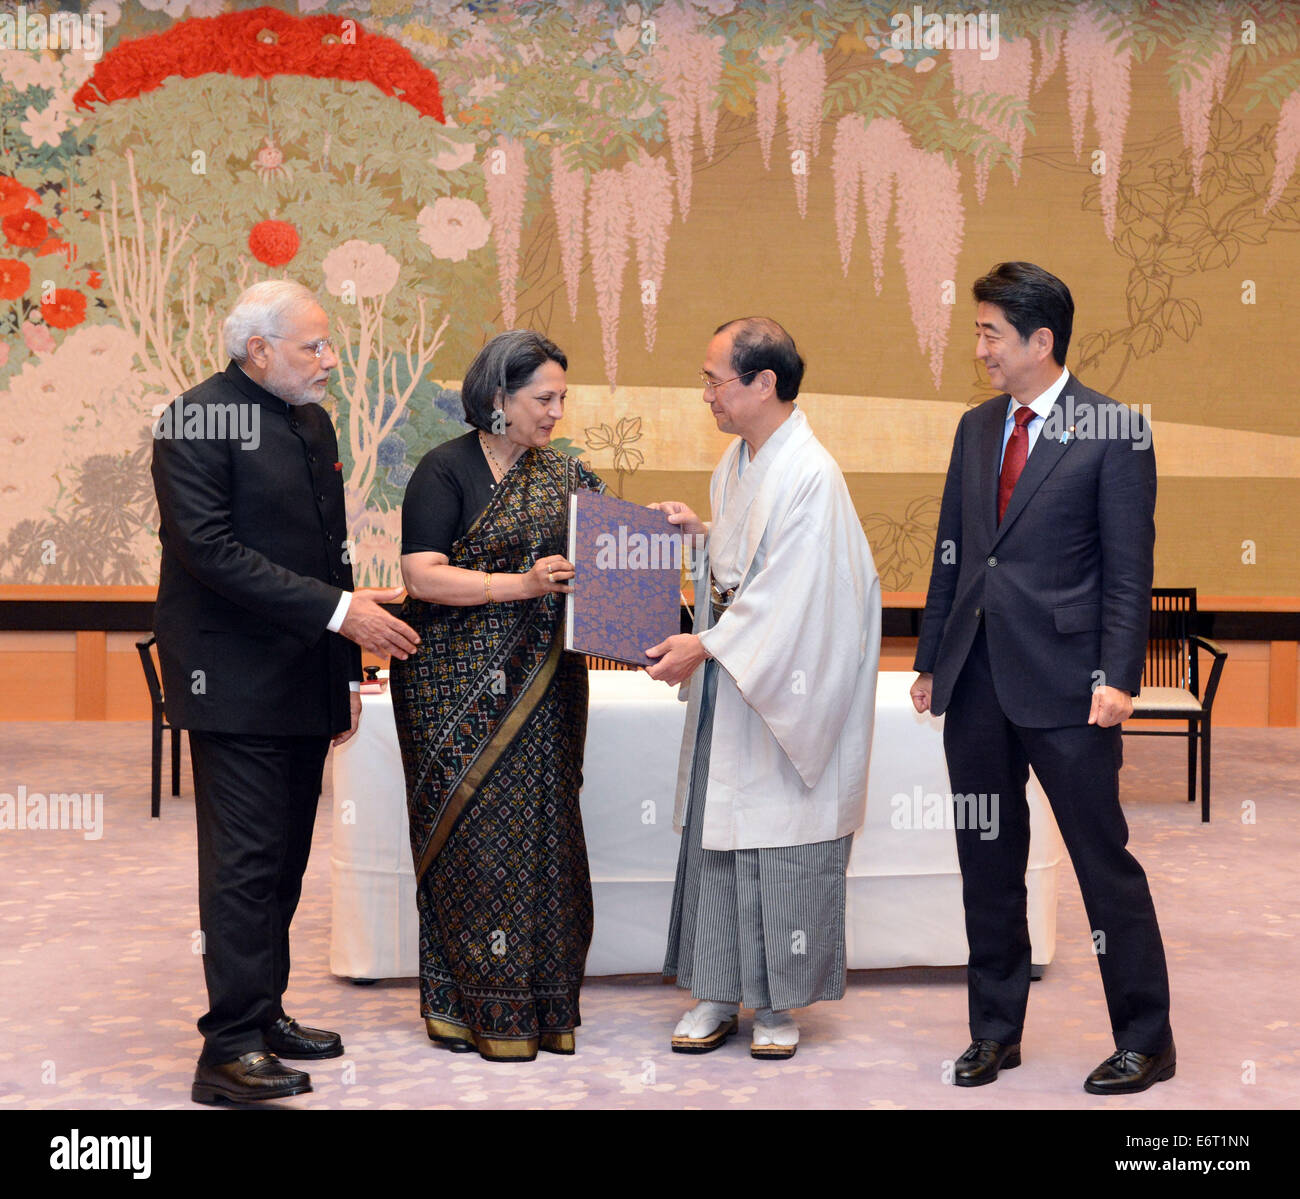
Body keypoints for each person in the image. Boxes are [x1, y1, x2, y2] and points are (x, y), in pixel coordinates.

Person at [151, 279, 420, 1104]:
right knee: (243, 865)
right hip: (230, 679)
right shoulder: (195, 417)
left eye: (329, 344)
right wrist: (344, 616)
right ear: (258, 349)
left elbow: (330, 554)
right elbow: (210, 550)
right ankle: (225, 1049)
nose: (329, 361)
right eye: (315, 346)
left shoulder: (310, 418)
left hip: (305, 673)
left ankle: (263, 1014)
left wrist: (342, 672)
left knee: (285, 863)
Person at [910, 261, 1174, 1094]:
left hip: (1071, 688)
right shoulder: (976, 427)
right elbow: (956, 550)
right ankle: (995, 1030)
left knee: (1104, 865)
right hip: (979, 682)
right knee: (987, 860)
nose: (979, 346)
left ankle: (1147, 1038)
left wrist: (1118, 675)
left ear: (1040, 339)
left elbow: (1130, 571)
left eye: (990, 331)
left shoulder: (1115, 430)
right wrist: (930, 660)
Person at [646, 317, 881, 1060]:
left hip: (783, 684)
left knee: (780, 841)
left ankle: (778, 1004)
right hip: (737, 675)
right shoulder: (738, 463)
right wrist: (701, 531)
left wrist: (706, 643)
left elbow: (794, 593)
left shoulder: (811, 471)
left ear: (763, 383)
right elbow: (748, 558)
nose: (706, 394)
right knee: (718, 835)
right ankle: (716, 990)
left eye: (715, 379)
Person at [391, 330, 604, 1062]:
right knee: (475, 848)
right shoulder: (444, 470)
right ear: (497, 399)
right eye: (543, 398)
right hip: (449, 688)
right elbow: (422, 576)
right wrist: (518, 585)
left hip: (546, 693)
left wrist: (665, 545)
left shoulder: (567, 475)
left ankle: (544, 1005)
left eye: (560, 398)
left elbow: (606, 568)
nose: (555, 411)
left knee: (546, 840)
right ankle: (470, 1007)